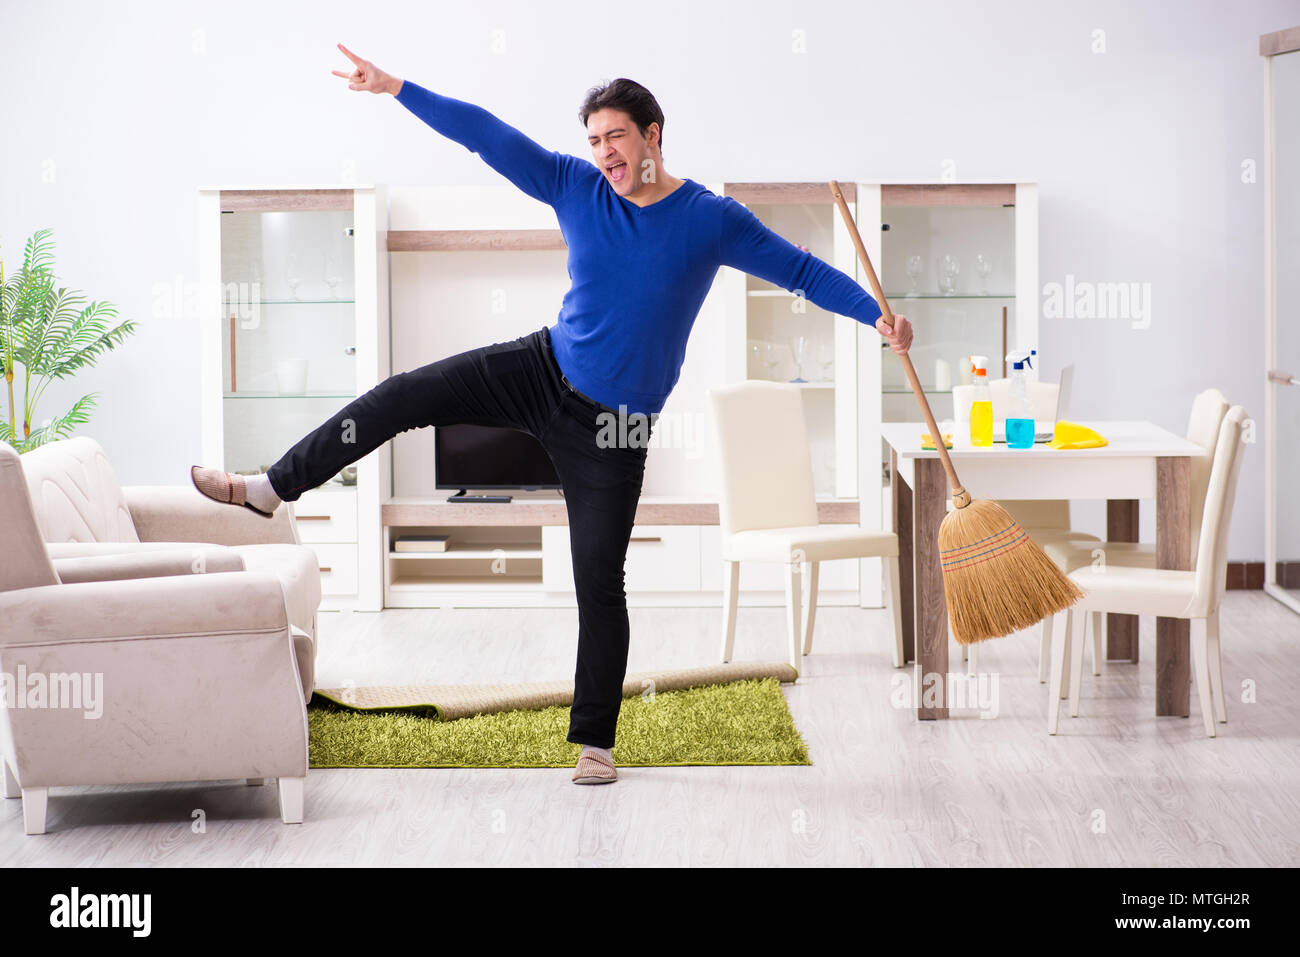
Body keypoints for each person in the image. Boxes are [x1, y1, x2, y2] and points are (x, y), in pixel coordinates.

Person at [192, 42, 913, 786]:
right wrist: (397, 88)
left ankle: (595, 742)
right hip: (542, 369)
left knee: (598, 581)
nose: (604, 152)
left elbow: (799, 269)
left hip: (616, 428)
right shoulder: (575, 185)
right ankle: (272, 486)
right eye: (595, 140)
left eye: (617, 137)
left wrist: (875, 316)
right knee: (403, 394)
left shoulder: (710, 219)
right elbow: (487, 135)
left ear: (653, 134)